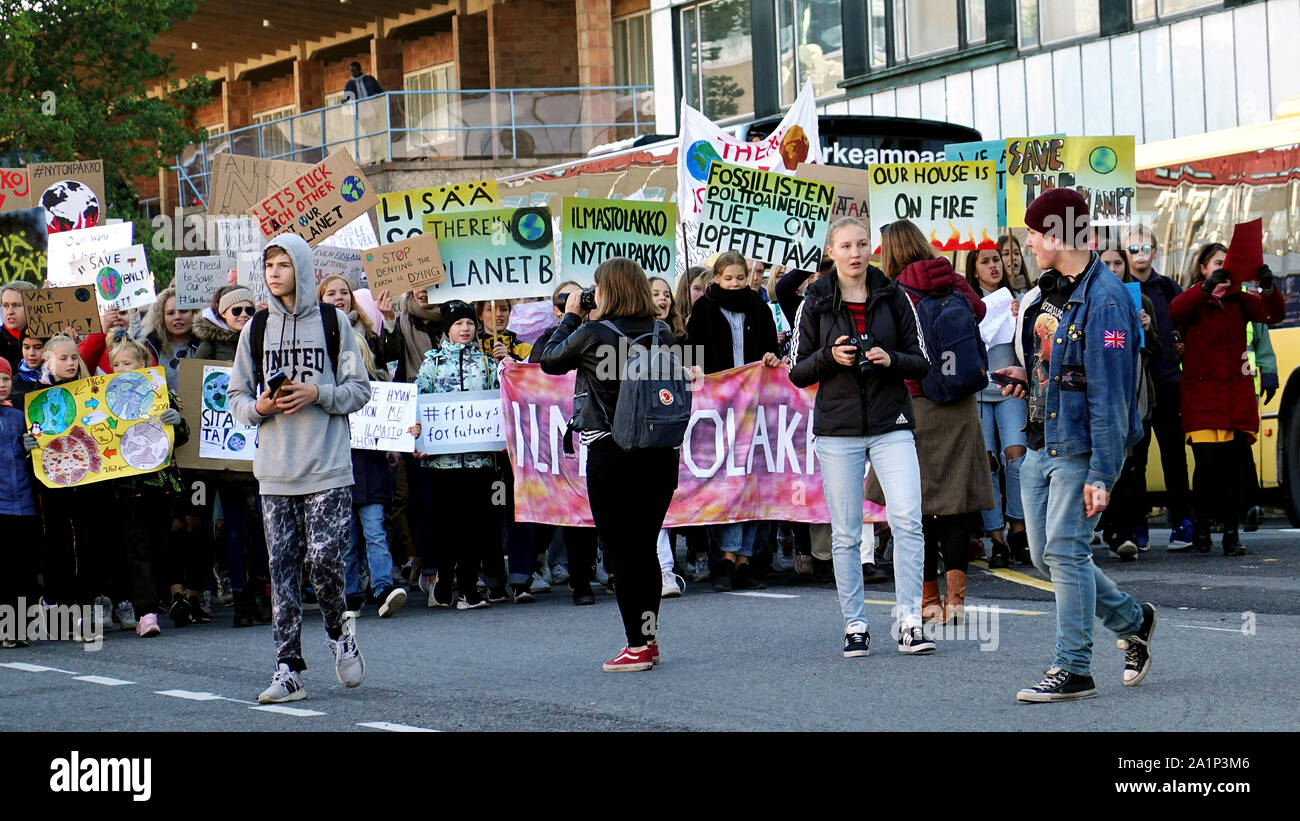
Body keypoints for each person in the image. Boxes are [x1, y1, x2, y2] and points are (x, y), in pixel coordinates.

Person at [996, 188, 1156, 702]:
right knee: (1048, 557)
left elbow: (1111, 395)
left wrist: (1102, 475)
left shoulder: (1107, 301)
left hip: (1080, 447)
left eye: (1034, 233)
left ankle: (1075, 668)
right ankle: (1133, 620)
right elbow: (1058, 363)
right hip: (1042, 439)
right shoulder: (1048, 289)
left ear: (1059, 236)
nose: (1027, 243)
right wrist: (1029, 375)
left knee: (1064, 551)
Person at [228, 233, 372, 704]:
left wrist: (318, 394)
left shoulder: (334, 323)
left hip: (327, 464)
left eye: (283, 263)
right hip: (275, 471)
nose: (273, 271)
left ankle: (338, 630)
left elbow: (359, 389)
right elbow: (237, 400)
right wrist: (263, 405)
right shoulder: (256, 329)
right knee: (283, 569)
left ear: (304, 269)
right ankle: (287, 667)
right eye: (268, 264)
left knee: (325, 560)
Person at [788, 216, 935, 657]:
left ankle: (910, 620)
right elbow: (797, 371)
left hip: (892, 424)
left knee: (908, 519)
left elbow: (922, 359)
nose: (855, 253)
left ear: (872, 248)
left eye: (862, 244)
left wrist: (889, 358)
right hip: (837, 430)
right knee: (847, 533)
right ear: (830, 251)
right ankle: (855, 624)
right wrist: (830, 357)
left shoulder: (895, 295)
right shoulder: (813, 300)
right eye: (846, 245)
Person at [540, 257, 681, 672]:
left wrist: (570, 315)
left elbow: (549, 360)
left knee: (622, 552)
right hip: (660, 452)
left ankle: (636, 646)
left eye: (596, 288)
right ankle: (648, 639)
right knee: (645, 549)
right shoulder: (663, 331)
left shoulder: (592, 333)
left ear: (607, 291)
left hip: (611, 453)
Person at [868, 222, 993, 626]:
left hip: (913, 403)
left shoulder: (891, 290)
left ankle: (929, 601)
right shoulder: (952, 281)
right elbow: (980, 311)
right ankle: (957, 603)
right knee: (954, 506)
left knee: (915, 508)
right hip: (959, 404)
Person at [1171, 243, 1284, 555]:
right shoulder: (1194, 297)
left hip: (1236, 395)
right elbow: (1175, 311)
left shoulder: (1242, 300)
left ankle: (1231, 535)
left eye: (1227, 264)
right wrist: (1205, 289)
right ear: (1204, 268)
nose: (1223, 269)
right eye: (1217, 263)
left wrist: (1268, 286)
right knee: (1206, 466)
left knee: (1234, 468)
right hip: (1202, 396)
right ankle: (1203, 530)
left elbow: (1272, 313)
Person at [686, 251, 782, 591]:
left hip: (756, 404)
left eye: (740, 278)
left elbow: (772, 348)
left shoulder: (759, 307)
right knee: (729, 480)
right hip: (720, 408)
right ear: (716, 279)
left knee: (753, 479)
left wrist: (772, 355)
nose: (735, 284)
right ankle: (726, 557)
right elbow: (691, 350)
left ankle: (744, 560)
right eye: (728, 278)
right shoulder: (704, 308)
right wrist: (695, 367)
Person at [412, 300, 505, 608]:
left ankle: (467, 589)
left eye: (468, 323)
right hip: (444, 460)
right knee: (447, 524)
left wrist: (505, 364)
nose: (465, 329)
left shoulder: (487, 362)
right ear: (447, 329)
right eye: (458, 324)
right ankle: (442, 587)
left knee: (476, 523)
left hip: (480, 459)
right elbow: (419, 402)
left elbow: (502, 401)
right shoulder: (433, 364)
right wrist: (419, 438)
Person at [103, 332, 190, 637]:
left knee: (159, 545)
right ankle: (146, 613)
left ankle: (169, 599)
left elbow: (182, 437)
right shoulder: (103, 398)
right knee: (137, 548)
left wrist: (176, 420)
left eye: (127, 363)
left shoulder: (160, 393)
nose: (121, 369)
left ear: (143, 363)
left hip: (159, 486)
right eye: (115, 364)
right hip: (125, 488)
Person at [1124, 225, 1194, 548]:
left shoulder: (1167, 288)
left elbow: (1186, 327)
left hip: (1167, 382)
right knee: (1136, 461)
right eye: (1133, 248)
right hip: (1134, 387)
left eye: (1145, 247)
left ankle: (1183, 520)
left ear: (1155, 251)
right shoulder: (1118, 289)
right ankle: (1138, 527)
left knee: (1174, 456)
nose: (1140, 254)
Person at [965, 247, 1029, 567]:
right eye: (986, 261)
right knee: (987, 462)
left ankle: (1018, 529)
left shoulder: (1022, 299)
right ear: (974, 269)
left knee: (1016, 459)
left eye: (997, 260)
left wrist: (1022, 317)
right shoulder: (966, 302)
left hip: (1010, 388)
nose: (994, 265)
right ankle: (997, 538)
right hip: (979, 389)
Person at [1096, 247, 1160, 559]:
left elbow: (1159, 351)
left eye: (1118, 263)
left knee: (1135, 465)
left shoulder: (1140, 300)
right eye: (1105, 262)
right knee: (1111, 464)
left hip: (1137, 394)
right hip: (1105, 396)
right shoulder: (1094, 301)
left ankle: (1129, 529)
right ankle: (1112, 529)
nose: (1112, 268)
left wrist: (1146, 330)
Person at [345, 335, 410, 618]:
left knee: (375, 535)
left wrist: (406, 435)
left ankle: (382, 588)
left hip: (372, 475)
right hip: (341, 476)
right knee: (347, 541)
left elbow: (397, 424)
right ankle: (350, 595)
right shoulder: (328, 391)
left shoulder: (381, 389)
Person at [0, 357, 39, 647]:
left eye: (5, 379)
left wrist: (31, 448)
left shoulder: (20, 416)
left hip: (24, 504)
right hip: (1, 506)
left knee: (24, 569)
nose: (1, 385)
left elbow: (34, 458)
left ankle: (19, 628)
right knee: (5, 570)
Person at [139, 287, 198, 393]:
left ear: (195, 313)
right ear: (161, 317)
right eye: (171, 313)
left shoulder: (208, 344)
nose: (177, 317)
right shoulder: (149, 347)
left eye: (183, 311)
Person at [194, 286, 256, 360]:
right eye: (237, 310)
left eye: (249, 310)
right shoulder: (209, 346)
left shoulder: (260, 340)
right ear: (223, 313)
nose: (244, 314)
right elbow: (196, 370)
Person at [0, 281, 36, 372]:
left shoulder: (48, 339)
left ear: (32, 306)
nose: (9, 311)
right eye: (5, 305)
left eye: (16, 305)